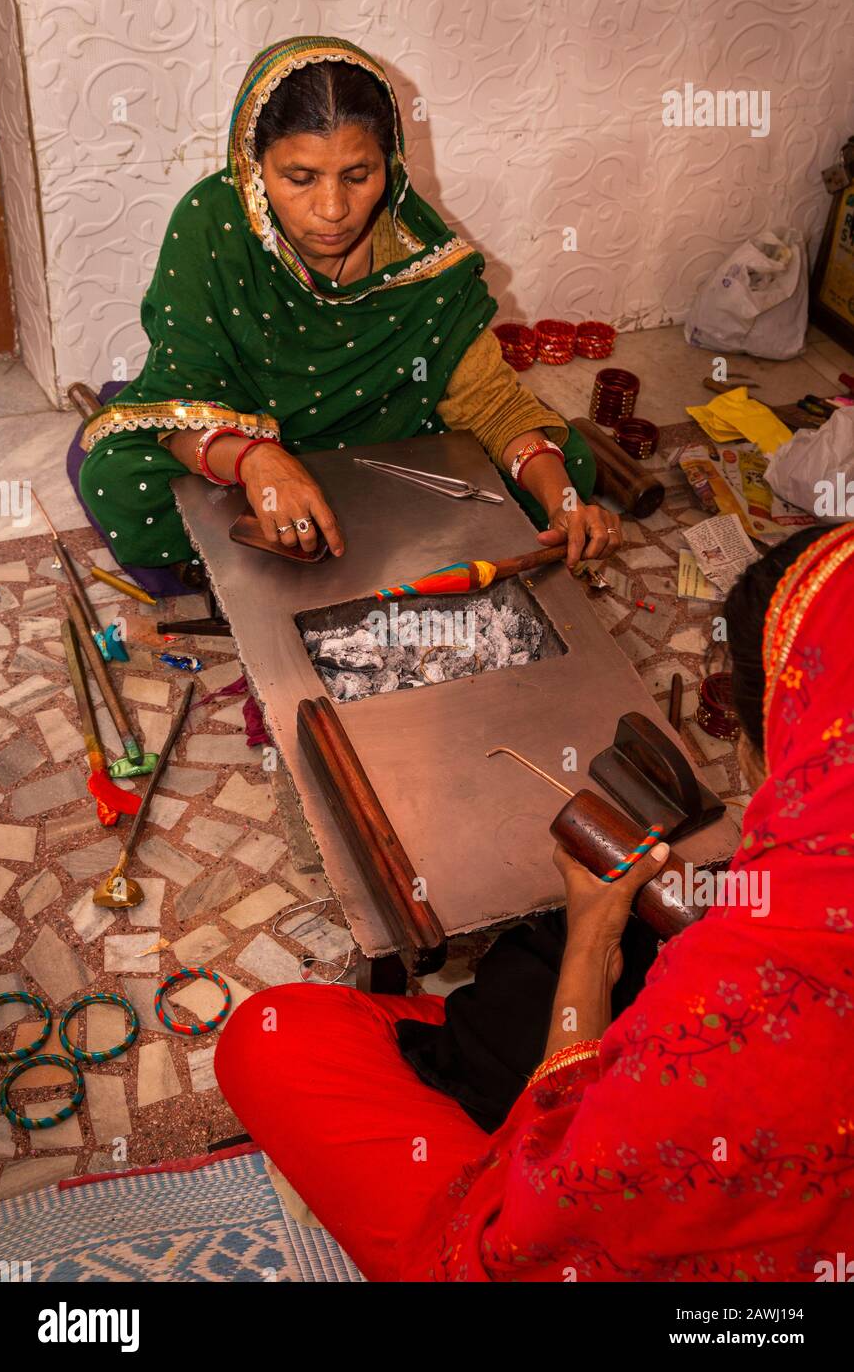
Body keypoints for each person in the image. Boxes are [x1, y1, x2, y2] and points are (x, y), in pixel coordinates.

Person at [215, 521, 854, 1282]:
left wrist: (591, 938)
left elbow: (553, 1193)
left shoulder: (750, 993)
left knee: (276, 1033)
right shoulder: (799, 904)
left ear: (775, 738)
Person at [78, 35, 621, 578]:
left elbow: (491, 407)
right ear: (253, 166)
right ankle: (328, 517)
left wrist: (562, 502)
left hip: (377, 445)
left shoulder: (418, 257)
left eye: (358, 177)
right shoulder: (210, 227)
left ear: (390, 163)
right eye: (300, 178)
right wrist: (257, 461)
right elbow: (182, 409)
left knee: (568, 465)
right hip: (239, 441)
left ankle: (289, 535)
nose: (333, 209)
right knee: (120, 482)